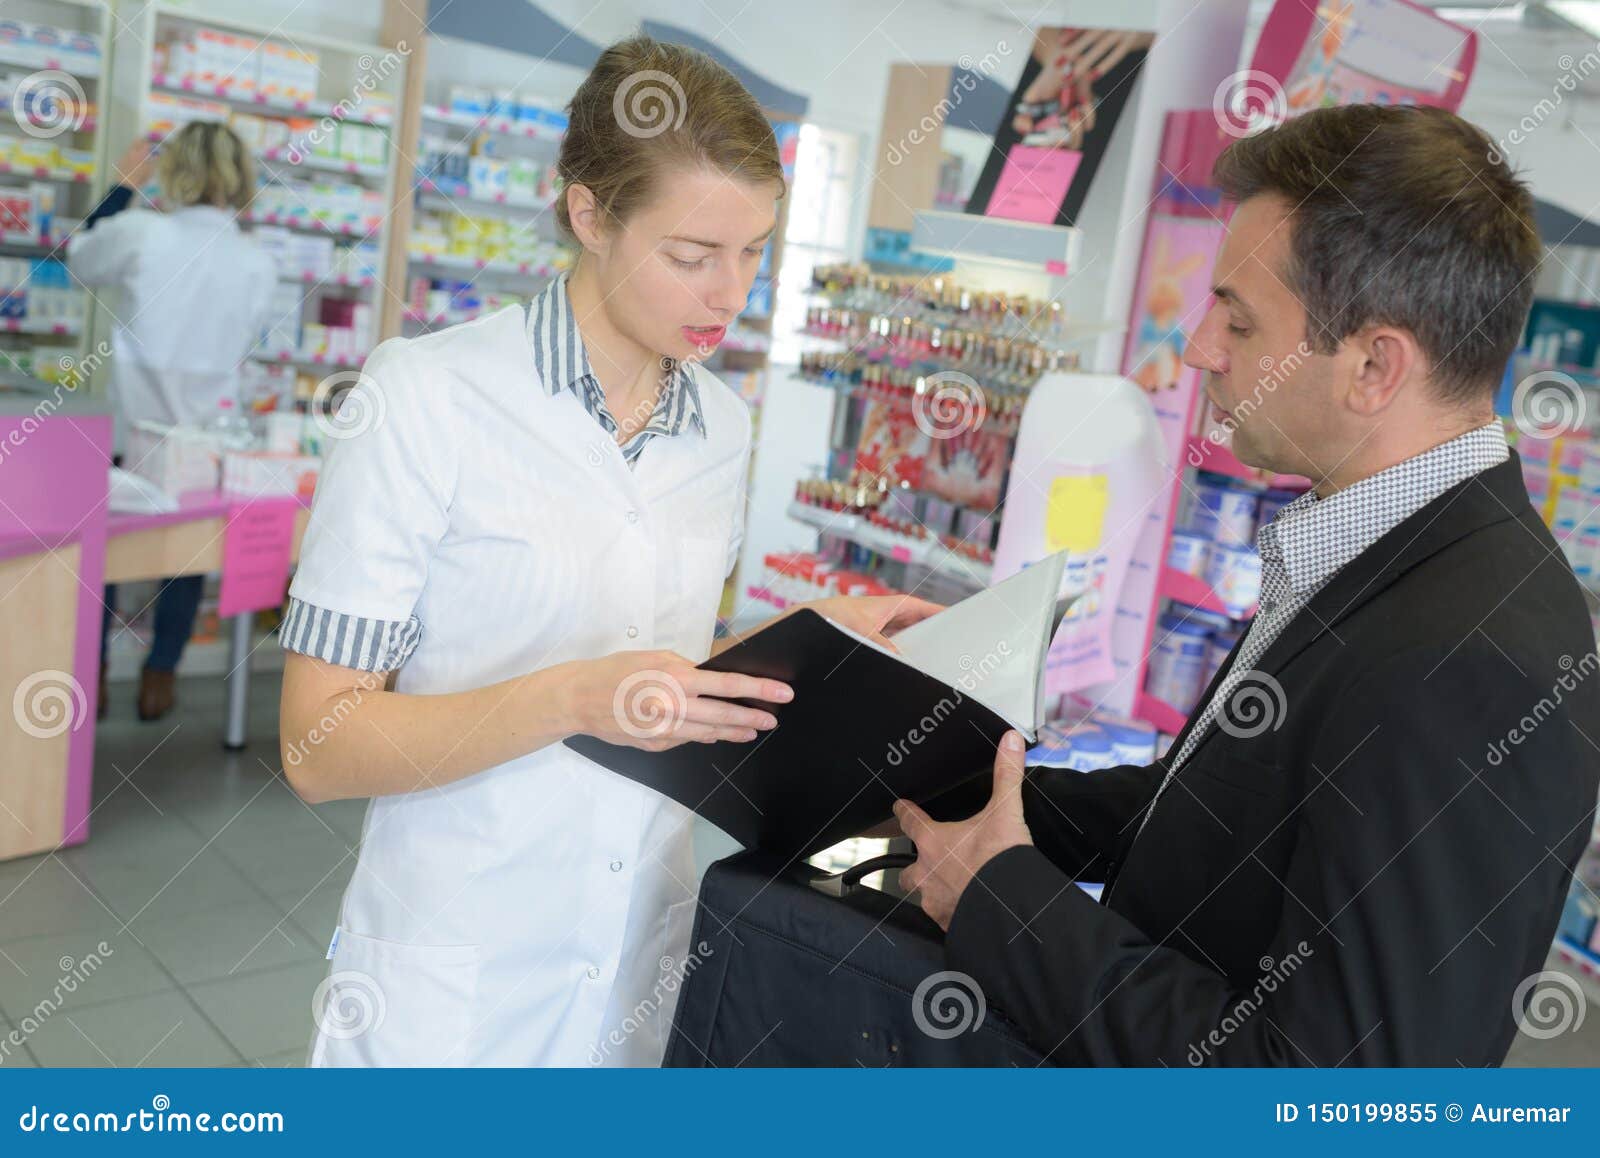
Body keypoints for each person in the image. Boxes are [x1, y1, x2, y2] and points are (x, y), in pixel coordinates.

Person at [278, 34, 937, 1067]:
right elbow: (316, 749)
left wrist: (814, 638)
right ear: (588, 213)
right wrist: (574, 699)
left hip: (638, 955)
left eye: (754, 250)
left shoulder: (720, 425)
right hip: (453, 971)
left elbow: (662, 659)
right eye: (690, 255)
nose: (731, 293)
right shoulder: (423, 396)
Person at [892, 104, 1600, 1066]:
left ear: (1374, 367)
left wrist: (1005, 904)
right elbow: (1219, 817)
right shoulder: (1378, 542)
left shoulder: (1471, 659)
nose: (1198, 348)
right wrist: (934, 780)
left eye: (1238, 316)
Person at [71, 123, 277, 720]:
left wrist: (121, 186)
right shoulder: (255, 260)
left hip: (131, 430)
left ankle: (95, 674)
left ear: (174, 170)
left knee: (102, 556)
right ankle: (159, 677)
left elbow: (82, 259)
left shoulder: (141, 232)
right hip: (203, 441)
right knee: (185, 561)